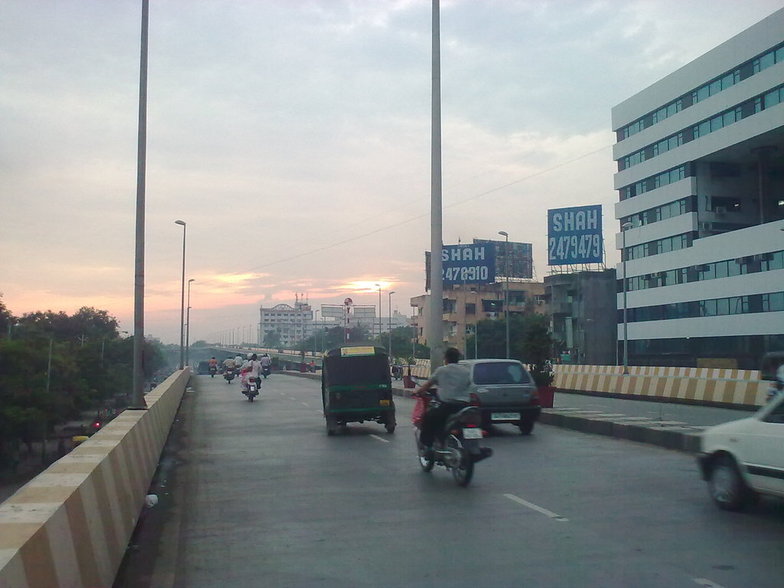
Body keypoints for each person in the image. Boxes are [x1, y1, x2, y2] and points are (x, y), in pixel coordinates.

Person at [412, 347, 471, 452]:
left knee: (428, 417)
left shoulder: (442, 370)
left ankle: (427, 445)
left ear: (446, 359)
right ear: (458, 358)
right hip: (465, 406)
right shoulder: (466, 371)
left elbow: (428, 384)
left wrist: (417, 392)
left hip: (448, 406)